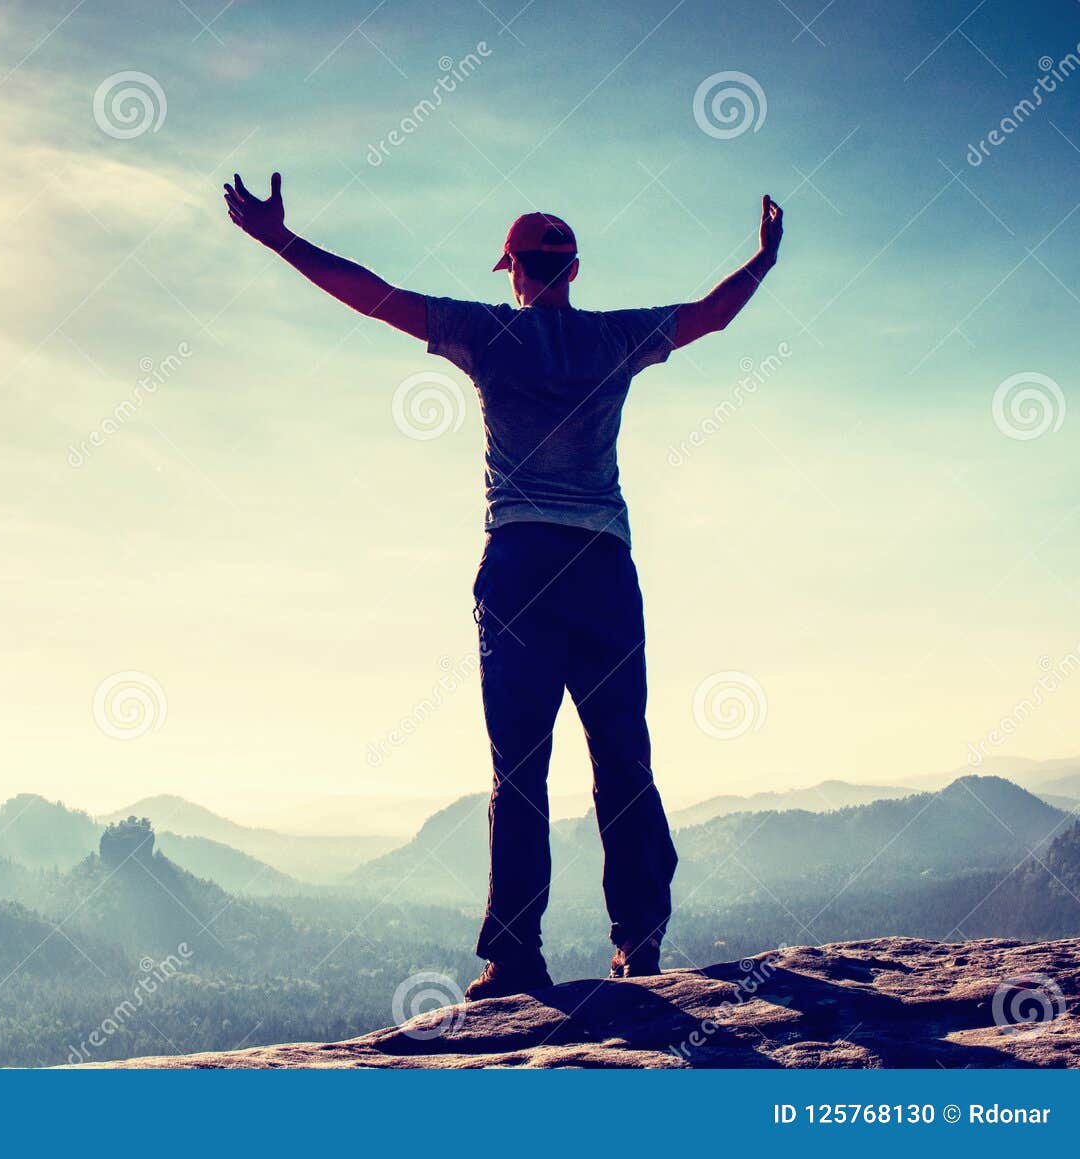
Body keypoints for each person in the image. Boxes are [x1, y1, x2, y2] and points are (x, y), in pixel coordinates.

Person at [224, 172, 784, 998]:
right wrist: (764, 259)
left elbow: (374, 297)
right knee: (622, 759)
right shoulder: (612, 339)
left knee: (519, 766)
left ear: (517, 272)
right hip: (601, 567)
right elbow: (713, 313)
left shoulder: (487, 334)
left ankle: (516, 955)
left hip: (520, 564)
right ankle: (639, 940)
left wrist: (280, 240)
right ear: (574, 270)